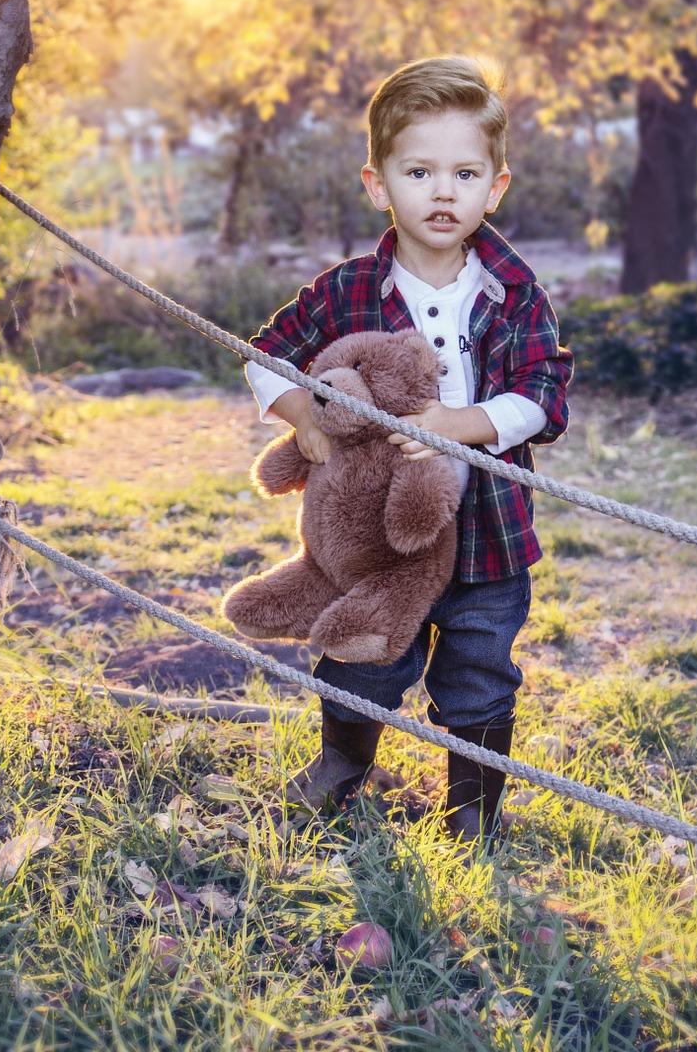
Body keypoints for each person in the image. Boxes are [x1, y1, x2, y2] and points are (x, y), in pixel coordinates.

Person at [244, 55, 574, 843]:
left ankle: (472, 810)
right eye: (419, 170)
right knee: (364, 650)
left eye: (465, 173)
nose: (442, 191)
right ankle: (341, 762)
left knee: (478, 669)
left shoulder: (513, 290)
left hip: (487, 532)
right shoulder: (346, 289)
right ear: (377, 183)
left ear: (494, 187)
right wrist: (309, 422)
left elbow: (543, 394)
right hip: (372, 538)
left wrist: (457, 424)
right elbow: (264, 354)